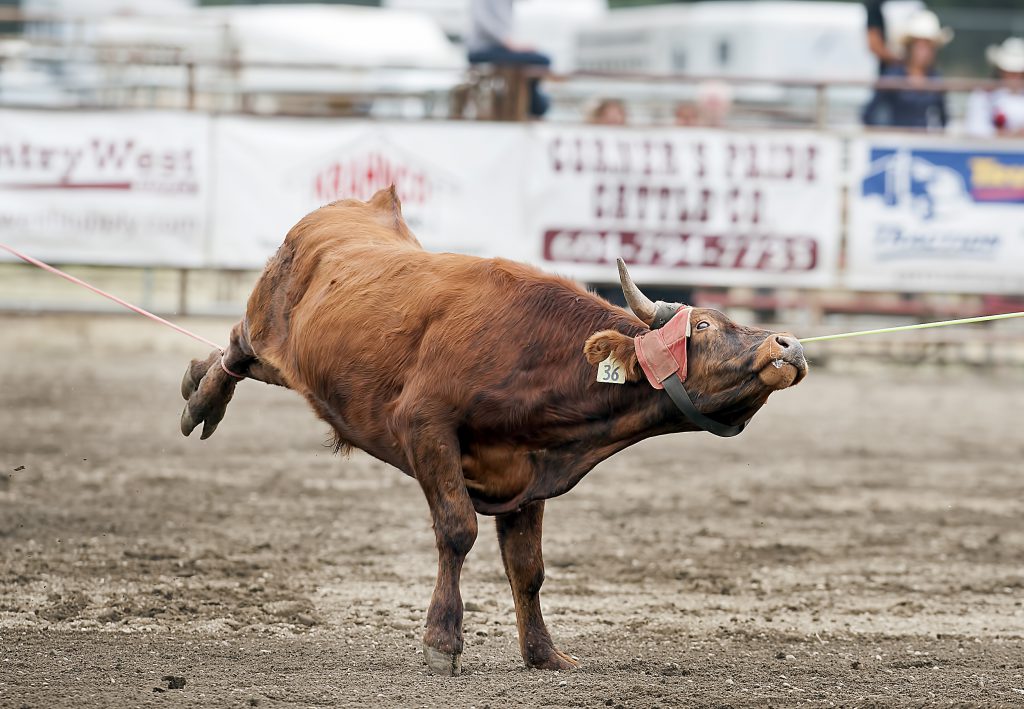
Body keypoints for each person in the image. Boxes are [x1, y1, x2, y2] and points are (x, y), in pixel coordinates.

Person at [863, 9, 951, 130]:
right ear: (910, 47)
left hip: (924, 141)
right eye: (920, 46)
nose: (924, 52)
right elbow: (870, 113)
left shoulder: (935, 78)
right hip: (895, 140)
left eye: (928, 46)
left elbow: (943, 118)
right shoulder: (893, 75)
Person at [466, 0, 550, 118]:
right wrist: (511, 44)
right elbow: (484, 21)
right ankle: (534, 105)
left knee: (539, 60)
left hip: (499, 48)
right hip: (482, 50)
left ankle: (531, 103)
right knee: (542, 60)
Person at [965, 37, 1024, 137]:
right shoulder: (984, 95)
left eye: (1019, 72)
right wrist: (1008, 135)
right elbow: (975, 129)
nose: (1015, 76)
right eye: (1010, 71)